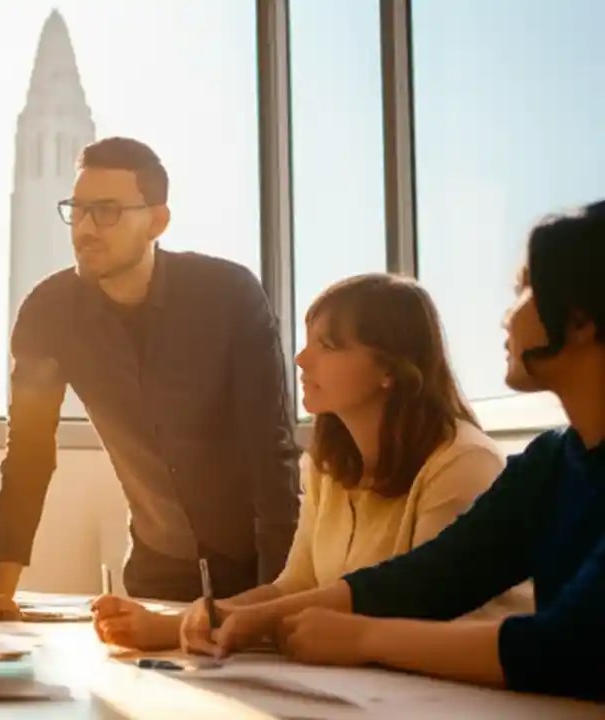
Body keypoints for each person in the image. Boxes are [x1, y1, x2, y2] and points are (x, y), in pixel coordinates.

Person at [190, 202, 605, 702]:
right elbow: (433, 575)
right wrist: (249, 617)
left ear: (580, 321)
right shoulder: (551, 461)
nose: (505, 316)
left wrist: (363, 636)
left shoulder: (468, 459)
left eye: (525, 290)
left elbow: (571, 646)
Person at [0, 137, 299, 620]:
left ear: (156, 221)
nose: (85, 228)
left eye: (107, 211)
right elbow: (29, 454)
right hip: (156, 566)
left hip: (253, 565)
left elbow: (272, 450)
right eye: (77, 210)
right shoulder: (49, 312)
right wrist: (4, 591)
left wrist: (273, 599)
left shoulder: (229, 296)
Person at [93, 273, 529, 651]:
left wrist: (246, 624)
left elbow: (423, 610)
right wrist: (181, 624)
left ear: (389, 370)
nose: (301, 359)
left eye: (328, 345)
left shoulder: (463, 462)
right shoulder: (330, 466)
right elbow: (295, 586)